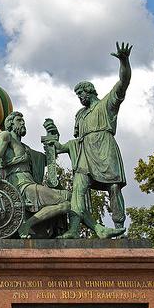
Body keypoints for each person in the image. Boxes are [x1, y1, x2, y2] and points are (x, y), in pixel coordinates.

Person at [51, 42, 131, 238]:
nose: (79, 97)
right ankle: (74, 229)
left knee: (113, 188)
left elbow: (123, 83)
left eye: (81, 93)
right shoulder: (80, 115)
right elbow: (76, 142)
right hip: (85, 155)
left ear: (91, 91)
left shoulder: (106, 104)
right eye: (77, 95)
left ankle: (119, 227)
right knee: (78, 187)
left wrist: (124, 61)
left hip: (105, 149)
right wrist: (58, 145)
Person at [0, 111, 71, 238]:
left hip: (30, 183)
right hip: (20, 185)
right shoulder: (6, 136)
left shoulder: (26, 148)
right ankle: (26, 225)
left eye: (23, 120)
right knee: (64, 204)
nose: (23, 123)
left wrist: (53, 139)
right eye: (19, 120)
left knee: (70, 196)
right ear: (10, 123)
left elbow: (48, 160)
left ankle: (73, 232)